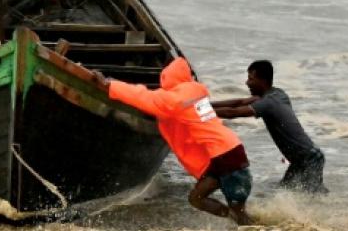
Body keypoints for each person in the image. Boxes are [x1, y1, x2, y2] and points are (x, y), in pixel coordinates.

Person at [95, 58, 252, 224]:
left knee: (238, 213)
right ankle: (243, 220)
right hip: (227, 151)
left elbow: (144, 97)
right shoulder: (194, 92)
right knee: (196, 199)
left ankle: (250, 224)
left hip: (224, 155)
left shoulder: (175, 99)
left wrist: (109, 84)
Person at [213, 60, 327, 194]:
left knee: (311, 198)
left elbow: (233, 113)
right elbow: (239, 102)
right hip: (301, 159)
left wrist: (198, 111)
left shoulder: (268, 102)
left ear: (263, 80)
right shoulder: (277, 94)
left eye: (251, 79)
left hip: (309, 159)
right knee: (285, 193)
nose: (247, 82)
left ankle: (341, 212)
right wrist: (204, 105)